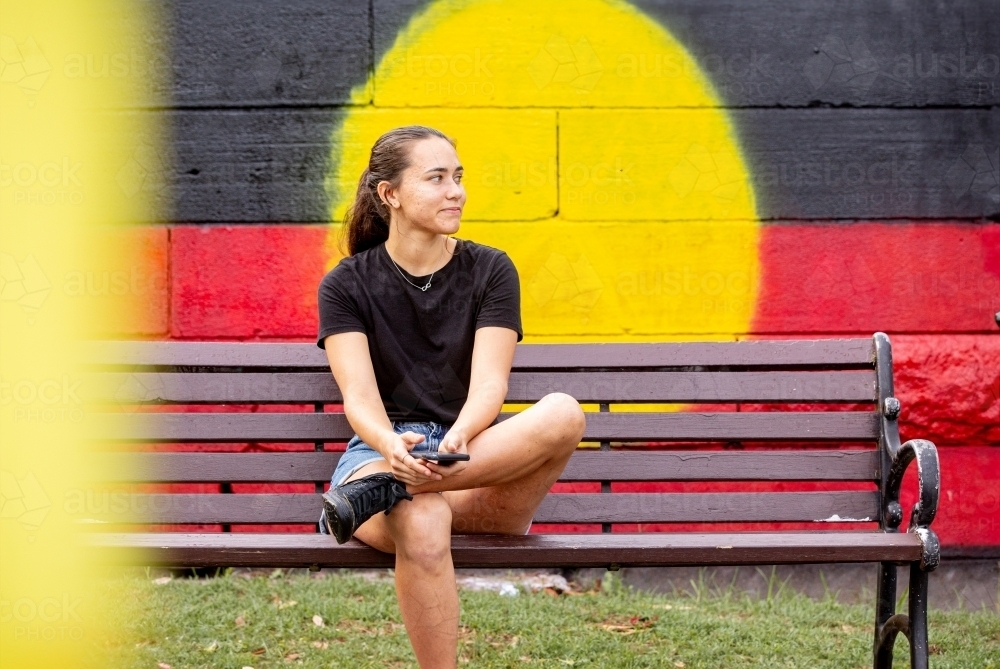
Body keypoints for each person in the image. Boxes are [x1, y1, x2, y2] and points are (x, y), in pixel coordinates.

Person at [315, 125, 586, 668]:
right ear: (389, 194)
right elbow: (360, 399)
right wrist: (391, 446)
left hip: (474, 466)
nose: (456, 191)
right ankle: (391, 480)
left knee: (564, 412)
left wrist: (459, 438)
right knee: (422, 516)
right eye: (436, 178)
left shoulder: (490, 269)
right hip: (382, 452)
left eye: (458, 177)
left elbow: (490, 384)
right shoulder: (346, 286)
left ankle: (384, 488)